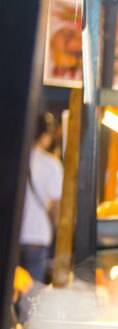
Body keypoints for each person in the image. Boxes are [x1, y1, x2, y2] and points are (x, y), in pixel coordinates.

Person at [19, 113, 63, 284]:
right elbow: (57, 206)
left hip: (13, 236)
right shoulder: (51, 164)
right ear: (45, 136)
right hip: (37, 237)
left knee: (10, 291)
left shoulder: (14, 158)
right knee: (30, 296)